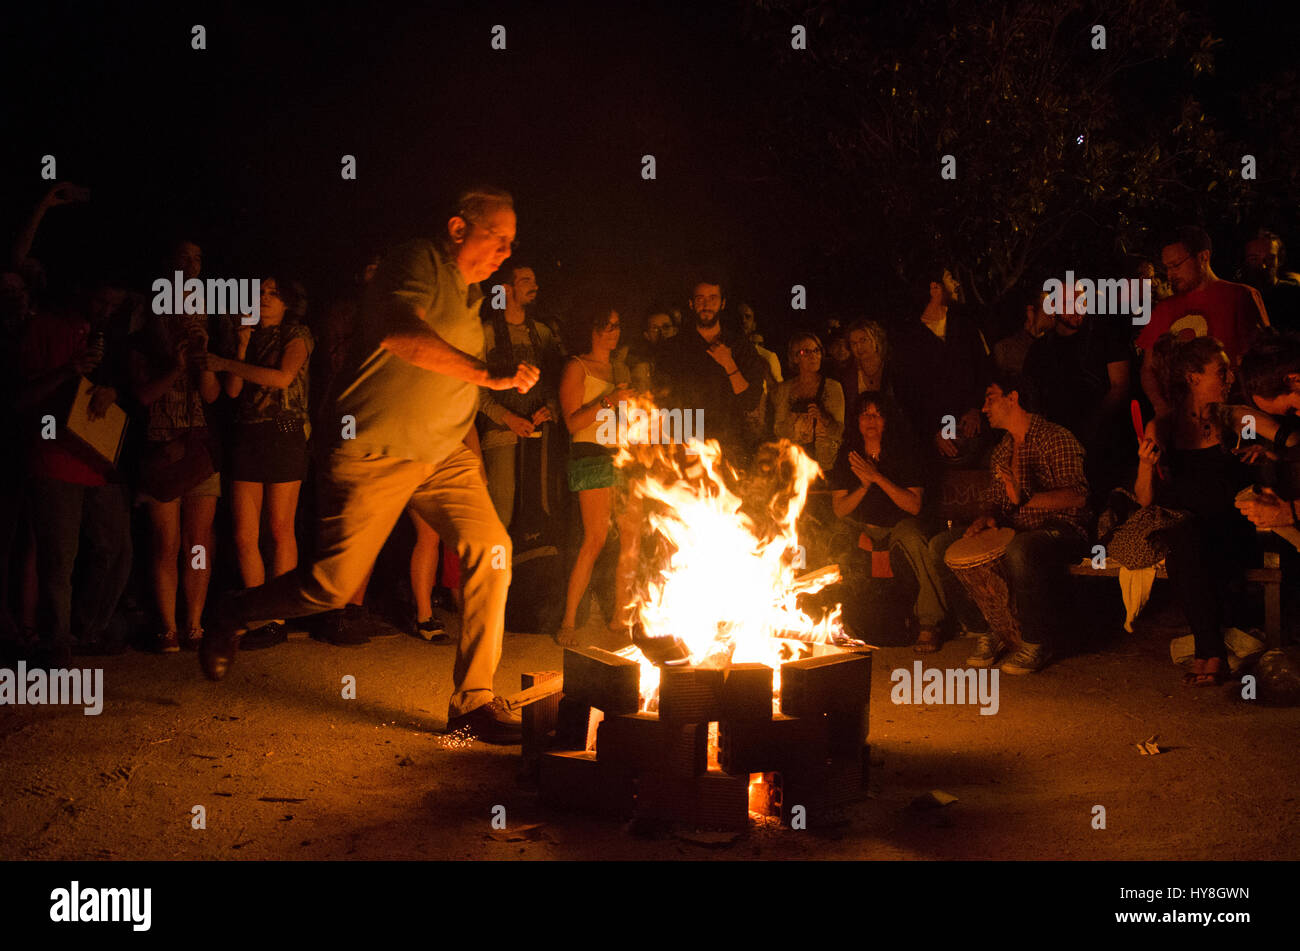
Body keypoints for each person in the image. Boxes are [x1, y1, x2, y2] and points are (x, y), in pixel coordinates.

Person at [201, 185, 539, 745]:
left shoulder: (474, 299)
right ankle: (235, 611)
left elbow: (446, 380)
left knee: (493, 550)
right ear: (459, 229)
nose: (506, 250)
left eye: (512, 241)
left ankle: (472, 703)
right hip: (373, 449)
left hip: (442, 456)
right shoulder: (417, 261)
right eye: (496, 237)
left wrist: (477, 419)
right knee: (330, 587)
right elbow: (400, 333)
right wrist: (489, 376)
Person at [928, 373, 1091, 674]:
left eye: (990, 398)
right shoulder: (1003, 448)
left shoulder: (1056, 438)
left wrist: (1024, 500)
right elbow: (996, 498)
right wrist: (986, 517)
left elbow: (1078, 497)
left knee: (1021, 548)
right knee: (942, 546)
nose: (984, 407)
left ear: (1013, 398)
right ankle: (987, 631)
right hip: (1017, 528)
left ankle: (1034, 641)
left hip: (1062, 528)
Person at [19, 278, 134, 662]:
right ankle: (58, 642)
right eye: (101, 299)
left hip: (99, 458)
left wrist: (112, 390)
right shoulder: (44, 327)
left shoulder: (112, 334)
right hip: (54, 455)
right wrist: (69, 370)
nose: (106, 310)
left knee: (115, 549)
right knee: (59, 557)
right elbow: (21, 396)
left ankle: (86, 630)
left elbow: (130, 386)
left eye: (114, 304)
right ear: (83, 290)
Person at [1135, 336, 1260, 685]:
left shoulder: (1237, 418)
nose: (1230, 379)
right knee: (1183, 536)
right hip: (1185, 531)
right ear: (1192, 377)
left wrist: (1263, 456)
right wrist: (1145, 465)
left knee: (1189, 540)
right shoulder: (1163, 426)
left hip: (1232, 527)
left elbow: (1272, 457)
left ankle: (1210, 652)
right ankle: (1211, 651)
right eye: (1222, 372)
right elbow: (1144, 499)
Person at [199, 277, 314, 651]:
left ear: (287, 302)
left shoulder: (296, 333)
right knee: (244, 533)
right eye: (260, 293)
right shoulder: (243, 337)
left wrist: (223, 360)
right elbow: (231, 391)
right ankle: (256, 614)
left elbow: (282, 378)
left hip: (283, 431)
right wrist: (241, 344)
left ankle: (279, 616)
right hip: (247, 434)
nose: (264, 299)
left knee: (280, 528)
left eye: (273, 294)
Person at [130, 310, 223, 653]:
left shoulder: (201, 352)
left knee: (197, 543)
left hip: (199, 454)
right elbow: (143, 396)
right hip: (160, 454)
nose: (187, 320)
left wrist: (204, 358)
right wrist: (177, 366)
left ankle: (194, 623)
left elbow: (212, 395)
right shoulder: (144, 348)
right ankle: (167, 627)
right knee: (165, 542)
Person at [829, 395, 944, 652]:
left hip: (898, 525)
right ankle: (834, 618)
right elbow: (840, 509)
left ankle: (928, 623)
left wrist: (877, 476)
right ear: (857, 421)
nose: (871, 420)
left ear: (887, 421)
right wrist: (864, 485)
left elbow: (913, 505)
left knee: (914, 540)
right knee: (835, 535)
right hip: (862, 524)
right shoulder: (848, 455)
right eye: (865, 414)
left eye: (877, 414)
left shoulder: (905, 451)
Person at [557, 301, 633, 642]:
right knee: (596, 538)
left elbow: (625, 420)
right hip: (590, 455)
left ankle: (621, 617)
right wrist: (608, 401)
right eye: (607, 326)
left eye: (617, 325)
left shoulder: (621, 369)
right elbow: (572, 423)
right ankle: (569, 621)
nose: (614, 332)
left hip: (622, 456)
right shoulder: (577, 367)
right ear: (591, 328)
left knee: (632, 539)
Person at [1137, 226, 1269, 418]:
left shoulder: (1239, 296)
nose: (1170, 274)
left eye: (1176, 265)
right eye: (1167, 267)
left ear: (1203, 257)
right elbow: (1149, 368)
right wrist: (1161, 408)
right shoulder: (1164, 308)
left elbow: (1259, 363)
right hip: (1182, 420)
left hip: (1231, 415)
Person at [1022, 281, 1133, 498]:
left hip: (1103, 438)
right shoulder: (1041, 349)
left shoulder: (1105, 337)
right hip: (1058, 443)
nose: (1078, 308)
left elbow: (1121, 386)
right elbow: (1031, 395)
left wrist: (1093, 423)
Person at [477, 262, 562, 530]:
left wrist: (549, 407)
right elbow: (474, 389)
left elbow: (554, 383)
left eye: (534, 280)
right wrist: (507, 418)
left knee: (539, 514)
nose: (534, 286)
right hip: (500, 436)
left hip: (540, 439)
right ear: (507, 289)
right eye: (525, 280)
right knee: (500, 515)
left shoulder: (543, 333)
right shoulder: (486, 333)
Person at [656, 274, 767, 468]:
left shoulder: (740, 346)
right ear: (691, 304)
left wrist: (729, 363)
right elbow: (661, 400)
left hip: (730, 441)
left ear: (722, 304)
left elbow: (750, 401)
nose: (706, 304)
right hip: (687, 440)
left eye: (713, 298)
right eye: (700, 299)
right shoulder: (674, 348)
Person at [893, 265, 994, 464]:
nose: (956, 284)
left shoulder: (965, 325)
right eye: (949, 279)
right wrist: (932, 431)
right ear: (935, 288)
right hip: (933, 443)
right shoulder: (908, 337)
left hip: (974, 434)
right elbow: (906, 393)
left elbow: (985, 370)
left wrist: (976, 408)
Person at [772, 332, 844, 471]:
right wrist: (792, 421)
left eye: (816, 350)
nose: (813, 356)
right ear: (795, 358)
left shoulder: (832, 387)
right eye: (805, 352)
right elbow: (778, 430)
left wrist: (823, 417)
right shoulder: (785, 389)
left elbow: (839, 430)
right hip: (794, 463)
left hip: (824, 463)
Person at [1241, 231, 1300, 334]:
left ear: (1279, 260)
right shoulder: (1237, 295)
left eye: (1270, 258)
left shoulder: (1294, 294)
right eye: (1254, 259)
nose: (1263, 265)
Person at [993, 289, 1053, 375]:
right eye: (1048, 307)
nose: (1053, 313)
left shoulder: (1051, 352)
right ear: (1030, 312)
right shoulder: (1004, 350)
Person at [838, 319, 892, 412]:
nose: (858, 347)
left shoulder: (892, 367)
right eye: (854, 343)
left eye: (863, 340)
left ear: (875, 339)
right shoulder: (847, 373)